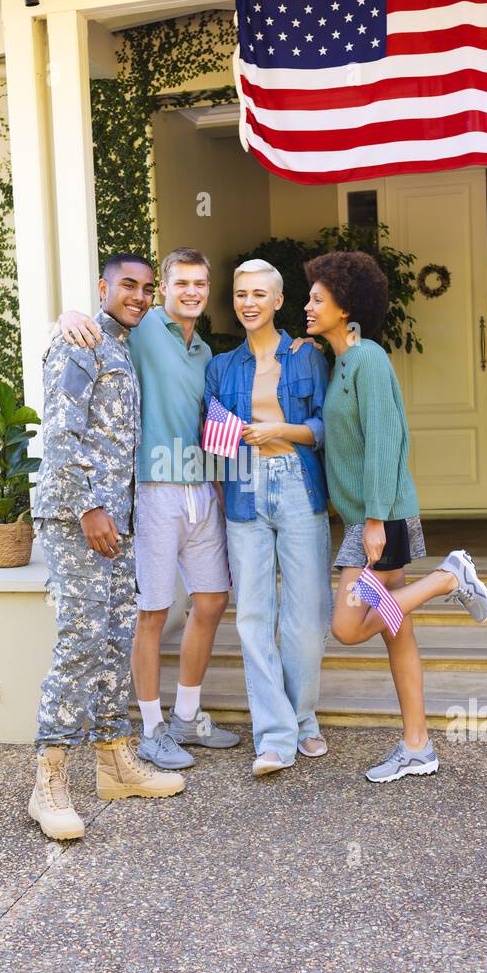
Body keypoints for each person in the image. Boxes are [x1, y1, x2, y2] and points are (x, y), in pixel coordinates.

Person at [304, 250, 487, 784]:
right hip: (369, 518)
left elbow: (387, 444)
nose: (308, 305)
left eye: (318, 298)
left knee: (347, 626)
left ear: (346, 307)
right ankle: (418, 746)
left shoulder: (369, 360)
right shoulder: (340, 361)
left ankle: (447, 577)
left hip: (380, 519)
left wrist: (374, 520)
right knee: (395, 629)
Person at [53, 247, 239, 771]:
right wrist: (66, 316)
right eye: (181, 283)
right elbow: (98, 324)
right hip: (154, 489)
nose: (192, 292)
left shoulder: (204, 351)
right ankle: (152, 730)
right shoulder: (143, 327)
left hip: (200, 487)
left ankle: (186, 716)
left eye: (200, 284)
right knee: (153, 611)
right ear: (166, 288)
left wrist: (220, 485)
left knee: (211, 600)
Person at [29, 254, 186, 843]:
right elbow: (60, 433)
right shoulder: (80, 342)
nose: (140, 296)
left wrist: (111, 513)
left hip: (115, 521)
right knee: (81, 638)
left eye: (148, 289)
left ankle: (115, 762)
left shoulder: (123, 345)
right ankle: (49, 781)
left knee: (118, 636)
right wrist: (90, 507)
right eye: (129, 285)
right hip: (77, 518)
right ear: (103, 288)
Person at [205, 260, 333, 776]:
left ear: (279, 301)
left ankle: (303, 718)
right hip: (244, 491)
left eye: (259, 293)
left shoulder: (307, 357)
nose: (248, 302)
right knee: (255, 615)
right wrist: (227, 437)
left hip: (298, 484)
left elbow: (325, 425)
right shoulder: (221, 366)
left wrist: (281, 428)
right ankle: (274, 736)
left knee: (306, 616)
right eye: (240, 294)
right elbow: (212, 439)